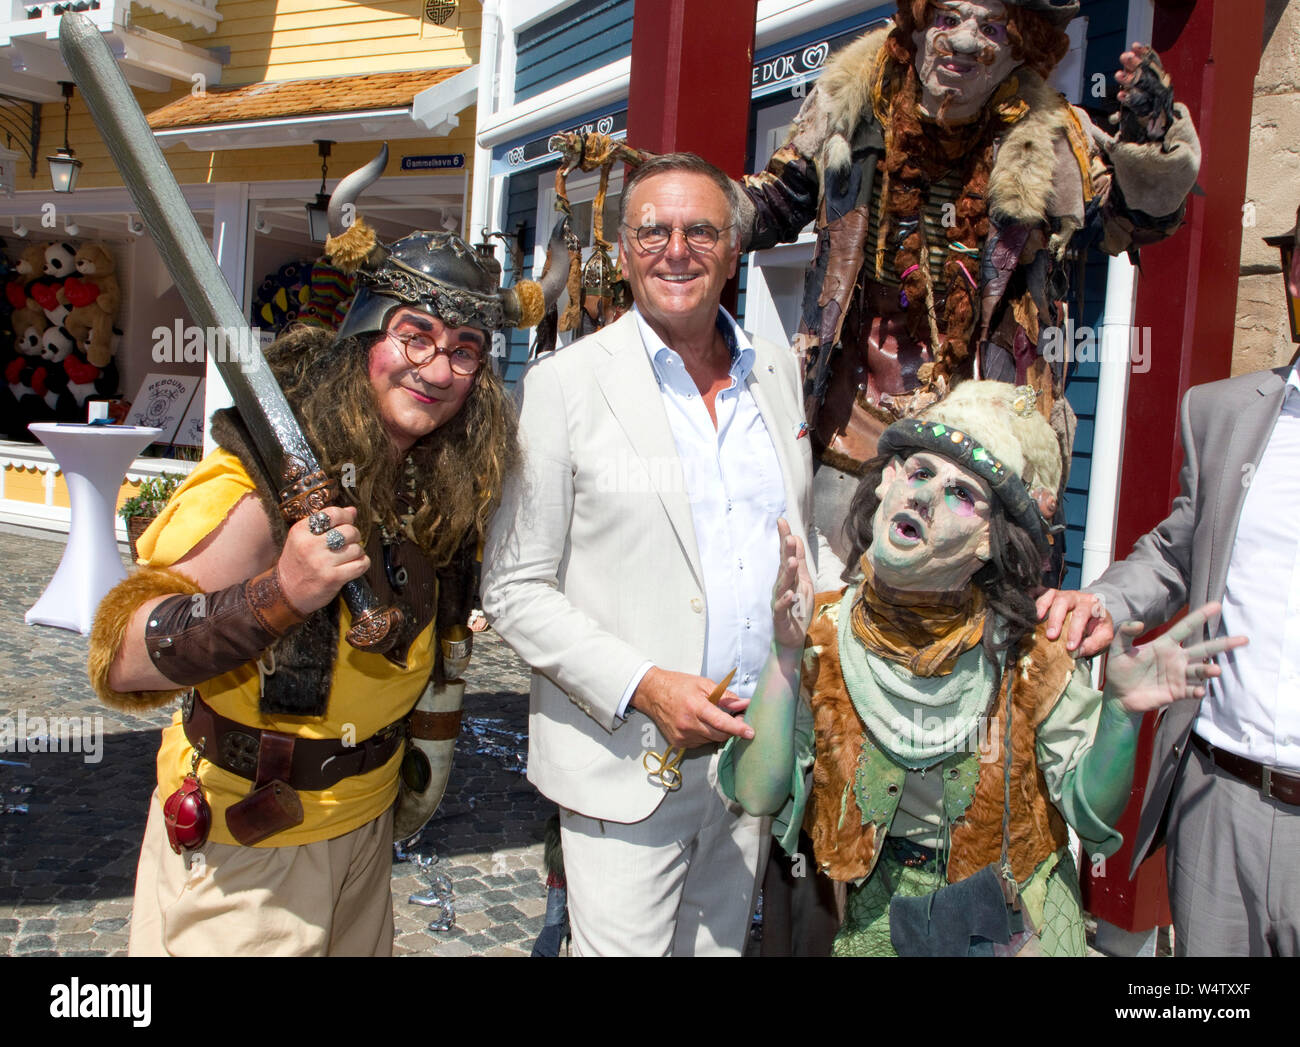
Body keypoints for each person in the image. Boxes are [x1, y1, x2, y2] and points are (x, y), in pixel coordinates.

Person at [88, 221, 561, 956]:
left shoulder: (441, 478)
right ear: (367, 334)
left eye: (464, 351)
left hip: (365, 827)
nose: (437, 370)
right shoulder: (265, 475)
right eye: (416, 336)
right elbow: (123, 655)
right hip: (249, 843)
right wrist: (278, 594)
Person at [727, 380, 1244, 956]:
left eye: (960, 494)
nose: (925, 497)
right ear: (889, 481)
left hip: (1022, 925)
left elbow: (1091, 812)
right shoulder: (820, 634)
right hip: (885, 925)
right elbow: (756, 793)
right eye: (919, 472)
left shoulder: (1031, 653)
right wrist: (784, 654)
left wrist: (1121, 715)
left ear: (985, 544)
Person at [482, 152, 842, 956]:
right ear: (622, 250)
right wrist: (645, 686)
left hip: (753, 754)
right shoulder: (563, 385)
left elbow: (798, 538)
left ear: (733, 247)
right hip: (625, 762)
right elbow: (513, 586)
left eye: (699, 230)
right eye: (652, 230)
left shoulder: (774, 373)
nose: (675, 249)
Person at [736, 0, 1201, 559]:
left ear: (1021, 43)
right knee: (840, 609)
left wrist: (1151, 144)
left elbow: (1131, 221)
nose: (960, 42)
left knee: (974, 622)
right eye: (946, 18)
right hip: (850, 428)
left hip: (987, 440)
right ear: (917, 20)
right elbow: (773, 203)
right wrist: (683, 205)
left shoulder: (1053, 136)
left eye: (991, 27)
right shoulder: (847, 106)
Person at [1039, 228, 1300, 953]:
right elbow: (1179, 550)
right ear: (1291, 275)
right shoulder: (1223, 413)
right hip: (1219, 799)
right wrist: (1104, 600)